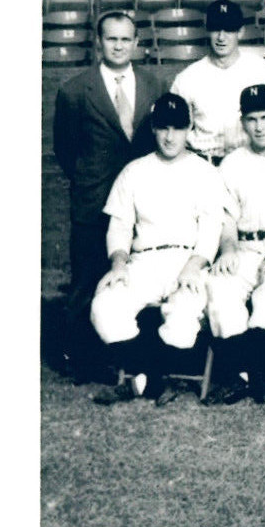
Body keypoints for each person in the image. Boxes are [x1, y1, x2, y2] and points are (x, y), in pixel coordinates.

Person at [168, 83, 265, 405]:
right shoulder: (233, 163)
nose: (259, 126)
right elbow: (227, 218)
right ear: (243, 121)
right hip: (246, 248)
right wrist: (230, 247)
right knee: (220, 289)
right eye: (251, 119)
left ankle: (264, 378)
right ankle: (237, 377)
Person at [88, 93, 226, 405]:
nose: (169, 136)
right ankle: (153, 377)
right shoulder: (134, 171)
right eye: (163, 127)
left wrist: (194, 266)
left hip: (187, 260)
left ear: (189, 129)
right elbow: (120, 227)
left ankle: (140, 379)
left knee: (182, 320)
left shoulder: (204, 172)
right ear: (154, 128)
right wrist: (118, 264)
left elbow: (211, 229)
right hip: (143, 260)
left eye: (177, 128)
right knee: (105, 307)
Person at [52, 9, 166, 379]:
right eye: (111, 38)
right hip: (94, 201)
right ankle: (82, 358)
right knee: (90, 277)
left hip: (144, 200)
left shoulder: (155, 86)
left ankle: (130, 353)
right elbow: (66, 149)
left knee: (133, 277)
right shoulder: (74, 91)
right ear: (99, 42)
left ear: (136, 43)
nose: (118, 45)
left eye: (125, 39)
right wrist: (90, 182)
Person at [171, 0, 265, 163]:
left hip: (250, 162)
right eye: (216, 29)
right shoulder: (188, 78)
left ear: (240, 32)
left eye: (229, 30)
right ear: (208, 31)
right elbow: (175, 128)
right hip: (205, 162)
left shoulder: (263, 71)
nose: (221, 37)